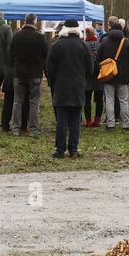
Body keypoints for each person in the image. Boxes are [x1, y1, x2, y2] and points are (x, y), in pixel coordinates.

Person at [45, 19, 93, 158]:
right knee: (75, 121)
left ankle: (60, 150)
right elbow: (90, 69)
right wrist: (83, 81)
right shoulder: (83, 46)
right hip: (78, 86)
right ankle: (73, 149)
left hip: (61, 86)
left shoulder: (56, 45)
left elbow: (50, 68)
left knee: (61, 120)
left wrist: (53, 83)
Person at [8, 13, 46, 135]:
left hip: (19, 73)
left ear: (25, 21)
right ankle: (34, 128)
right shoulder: (40, 37)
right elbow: (45, 54)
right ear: (35, 22)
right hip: (35, 73)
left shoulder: (16, 36)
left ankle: (15, 127)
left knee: (17, 101)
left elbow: (10, 54)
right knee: (34, 101)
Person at [95, 18, 129, 129]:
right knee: (123, 100)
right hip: (123, 76)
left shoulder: (104, 42)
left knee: (109, 100)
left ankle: (110, 123)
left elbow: (98, 59)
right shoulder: (126, 42)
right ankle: (126, 124)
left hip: (108, 75)